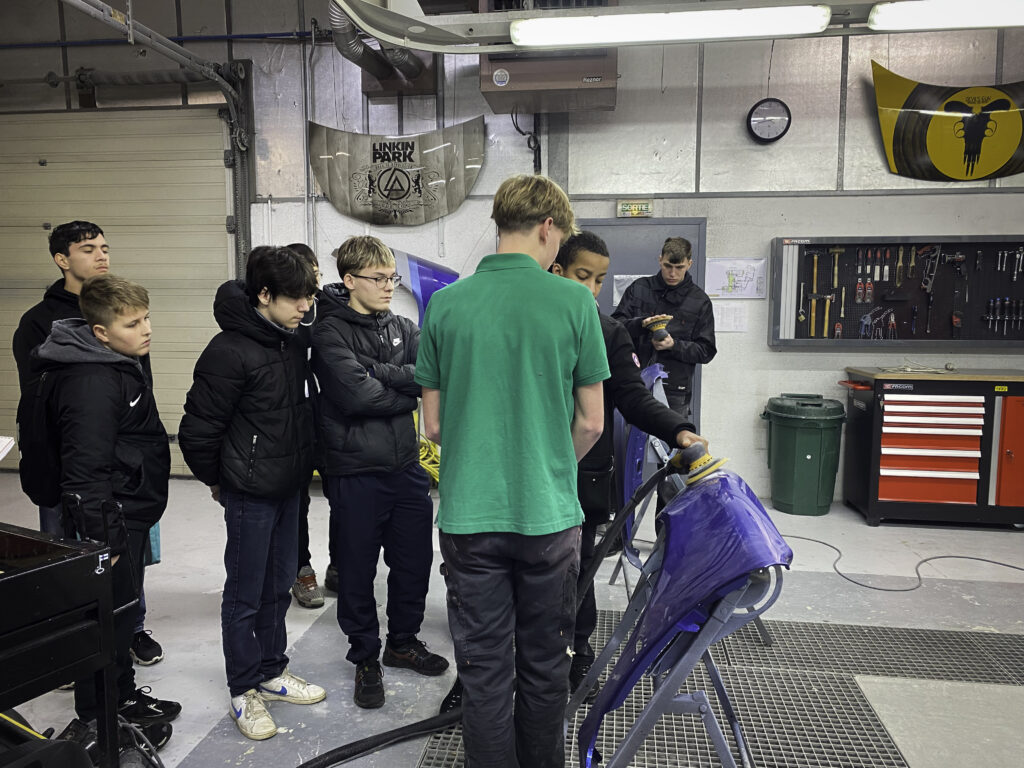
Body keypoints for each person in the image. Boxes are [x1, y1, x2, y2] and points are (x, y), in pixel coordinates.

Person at [416, 174, 609, 768]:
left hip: (471, 518)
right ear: (549, 228)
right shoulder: (575, 302)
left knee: (484, 669)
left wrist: (483, 454)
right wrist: (548, 465)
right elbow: (592, 423)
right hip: (548, 519)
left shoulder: (445, 303)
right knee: (546, 666)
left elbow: (433, 426)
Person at [550, 232, 708, 694]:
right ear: (556, 271)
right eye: (584, 277)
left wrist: (678, 429)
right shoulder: (532, 324)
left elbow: (634, 397)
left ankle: (579, 654)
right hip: (524, 474)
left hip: (582, 474)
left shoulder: (606, 331)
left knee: (578, 568)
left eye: (600, 280)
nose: (593, 290)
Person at [178, 246, 325, 741]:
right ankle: (244, 689)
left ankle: (271, 669)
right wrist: (221, 481)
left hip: (288, 488)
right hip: (250, 492)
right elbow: (198, 429)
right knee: (244, 594)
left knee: (278, 584)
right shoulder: (228, 351)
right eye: (297, 298)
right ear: (264, 295)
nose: (306, 307)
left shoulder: (291, 340)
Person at [32, 274, 179, 745]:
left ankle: (123, 697)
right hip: (110, 522)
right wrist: (106, 543)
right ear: (100, 332)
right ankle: (101, 723)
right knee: (106, 624)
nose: (146, 329)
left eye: (146, 317)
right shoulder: (91, 380)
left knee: (121, 616)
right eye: (133, 323)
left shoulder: (114, 362)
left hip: (127, 512)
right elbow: (85, 472)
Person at [12, 221, 165, 668]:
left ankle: (130, 630)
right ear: (62, 260)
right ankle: (77, 646)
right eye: (87, 249)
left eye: (104, 248)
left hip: (119, 467)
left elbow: (138, 386)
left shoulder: (120, 309)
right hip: (79, 469)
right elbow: (46, 406)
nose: (101, 256)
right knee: (77, 560)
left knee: (128, 561)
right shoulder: (40, 323)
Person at [312, 235, 446, 710]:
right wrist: (401, 385)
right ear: (349, 280)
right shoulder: (328, 333)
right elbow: (355, 397)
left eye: (392, 278)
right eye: (378, 278)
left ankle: (402, 642)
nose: (389, 286)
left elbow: (429, 376)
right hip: (354, 471)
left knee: (413, 563)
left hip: (406, 467)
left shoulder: (407, 326)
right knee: (356, 570)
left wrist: (379, 374)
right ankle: (365, 655)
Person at [611, 236, 716, 424]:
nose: (672, 273)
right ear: (660, 259)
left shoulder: (700, 301)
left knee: (670, 448)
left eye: (679, 268)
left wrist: (674, 345)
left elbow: (706, 351)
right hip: (633, 382)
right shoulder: (639, 288)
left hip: (674, 392)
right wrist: (641, 324)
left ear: (689, 264)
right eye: (668, 266)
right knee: (626, 444)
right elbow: (615, 327)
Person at [286, 242, 326, 611]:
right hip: (292, 428)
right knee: (296, 505)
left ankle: (342, 567)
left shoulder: (326, 311)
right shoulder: (283, 323)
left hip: (328, 422)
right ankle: (301, 570)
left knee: (342, 499)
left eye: (316, 279)